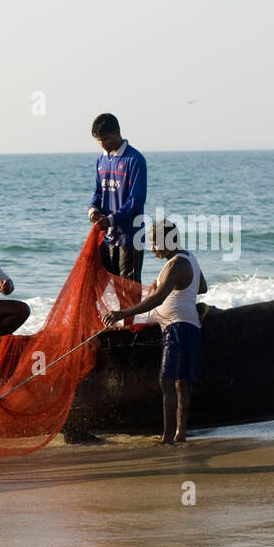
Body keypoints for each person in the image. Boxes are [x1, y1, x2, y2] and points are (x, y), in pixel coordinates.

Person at [102, 221, 208, 444]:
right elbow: (202, 288)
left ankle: (168, 437)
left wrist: (122, 314)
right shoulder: (189, 258)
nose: (152, 250)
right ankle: (180, 434)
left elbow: (157, 299)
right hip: (188, 326)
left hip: (176, 328)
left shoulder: (175, 265)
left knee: (167, 382)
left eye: (154, 244)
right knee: (181, 383)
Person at [88, 113, 147, 282]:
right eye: (99, 141)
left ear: (117, 132)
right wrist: (93, 211)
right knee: (105, 286)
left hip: (130, 236)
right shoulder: (101, 160)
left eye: (106, 139)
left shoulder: (135, 160)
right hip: (107, 237)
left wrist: (111, 219)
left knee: (128, 289)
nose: (103, 144)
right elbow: (99, 192)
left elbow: (136, 201)